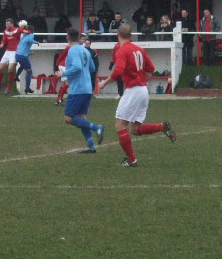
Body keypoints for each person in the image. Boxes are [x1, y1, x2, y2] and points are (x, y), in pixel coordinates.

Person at [96, 23, 176, 166]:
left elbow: (118, 70)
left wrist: (105, 82)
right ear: (131, 35)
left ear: (117, 35)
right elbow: (150, 69)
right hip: (143, 90)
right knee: (136, 129)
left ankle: (132, 160)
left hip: (133, 90)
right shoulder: (139, 49)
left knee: (120, 125)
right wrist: (141, 80)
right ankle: (162, 126)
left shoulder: (122, 50)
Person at [59, 29, 104, 152]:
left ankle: (97, 127)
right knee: (82, 118)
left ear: (67, 38)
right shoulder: (86, 50)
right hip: (88, 88)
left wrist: (63, 73)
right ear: (79, 38)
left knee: (68, 118)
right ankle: (91, 146)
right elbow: (92, 68)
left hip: (78, 89)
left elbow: (77, 67)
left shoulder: (72, 50)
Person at [0, 18, 21, 93]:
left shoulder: (17, 30)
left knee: (10, 69)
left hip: (14, 52)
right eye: (6, 24)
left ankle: (9, 87)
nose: (6, 25)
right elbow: (4, 40)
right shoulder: (5, 31)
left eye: (8, 24)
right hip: (7, 52)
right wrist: (2, 44)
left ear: (12, 24)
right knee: (0, 68)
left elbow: (26, 33)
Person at [13, 21, 38, 94]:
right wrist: (37, 42)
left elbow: (23, 48)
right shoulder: (30, 35)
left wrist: (30, 53)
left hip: (17, 55)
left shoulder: (23, 36)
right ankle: (27, 88)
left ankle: (16, 76)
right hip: (22, 56)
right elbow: (30, 40)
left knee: (22, 66)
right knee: (29, 71)